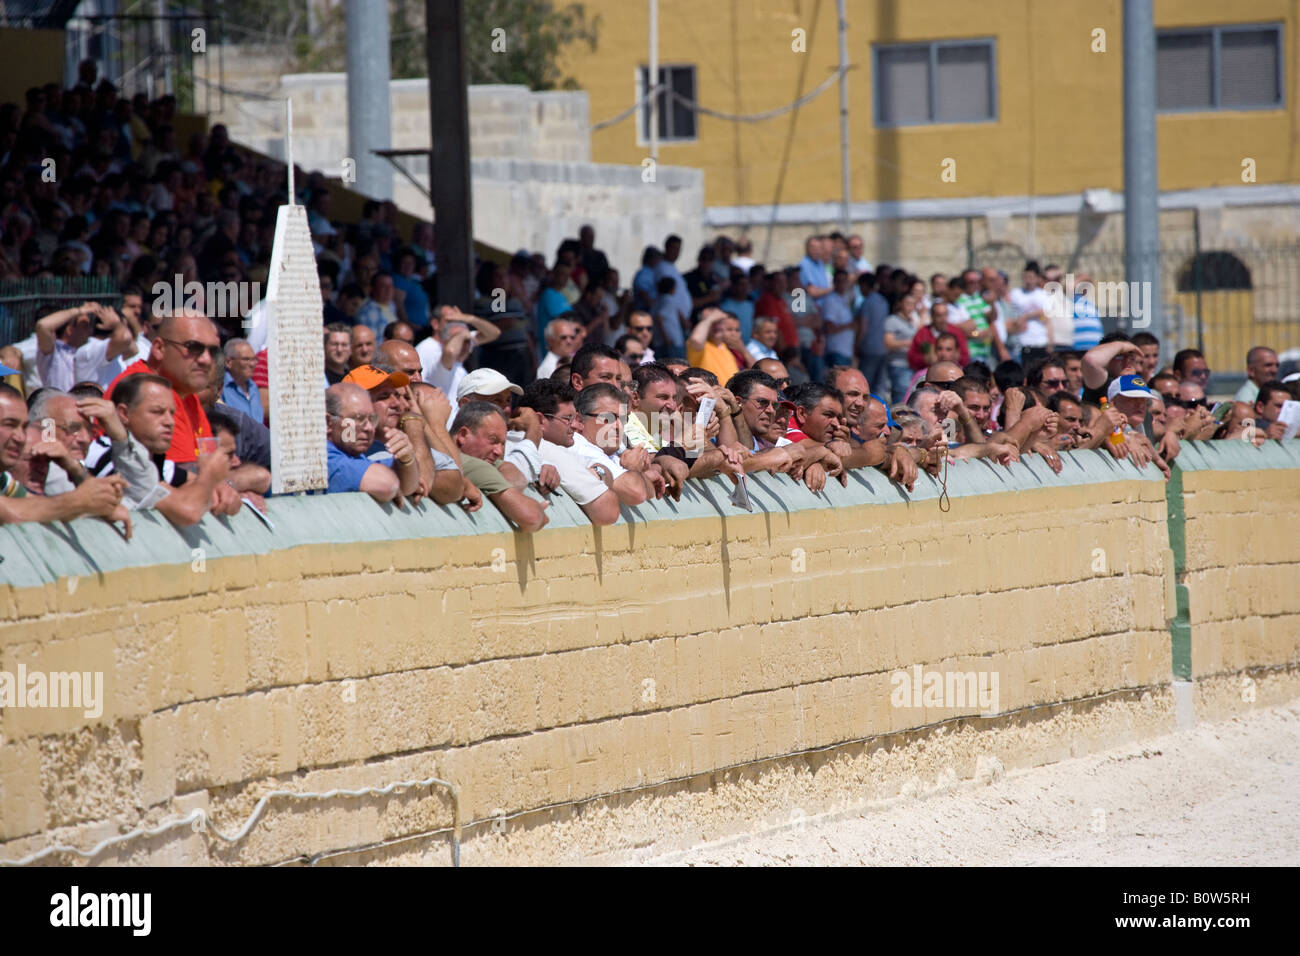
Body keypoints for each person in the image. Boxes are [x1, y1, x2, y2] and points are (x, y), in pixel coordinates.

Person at [105, 310, 217, 465]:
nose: (206, 360)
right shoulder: (143, 389)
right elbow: (182, 475)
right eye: (193, 347)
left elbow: (211, 462)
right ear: (159, 348)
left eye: (213, 351)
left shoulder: (187, 394)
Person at [450, 401, 548, 532]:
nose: (499, 452)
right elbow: (532, 518)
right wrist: (539, 511)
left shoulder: (483, 460)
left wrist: (498, 482)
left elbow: (514, 473)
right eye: (492, 440)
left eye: (502, 444)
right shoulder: (475, 465)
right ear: (463, 435)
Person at [220, 338, 262, 423]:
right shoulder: (220, 388)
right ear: (228, 362)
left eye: (254, 359)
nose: (252, 364)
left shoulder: (253, 387)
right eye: (246, 359)